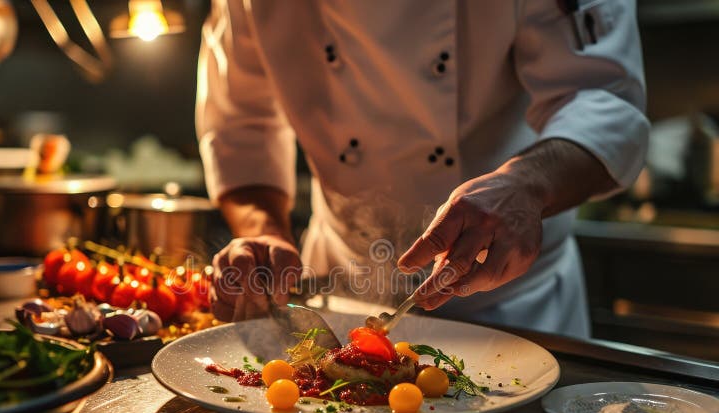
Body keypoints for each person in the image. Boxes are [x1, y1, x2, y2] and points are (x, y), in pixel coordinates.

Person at [197, 0, 649, 338]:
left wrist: (527, 185)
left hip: (510, 310)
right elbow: (240, 124)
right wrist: (265, 232)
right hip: (337, 289)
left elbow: (604, 100)